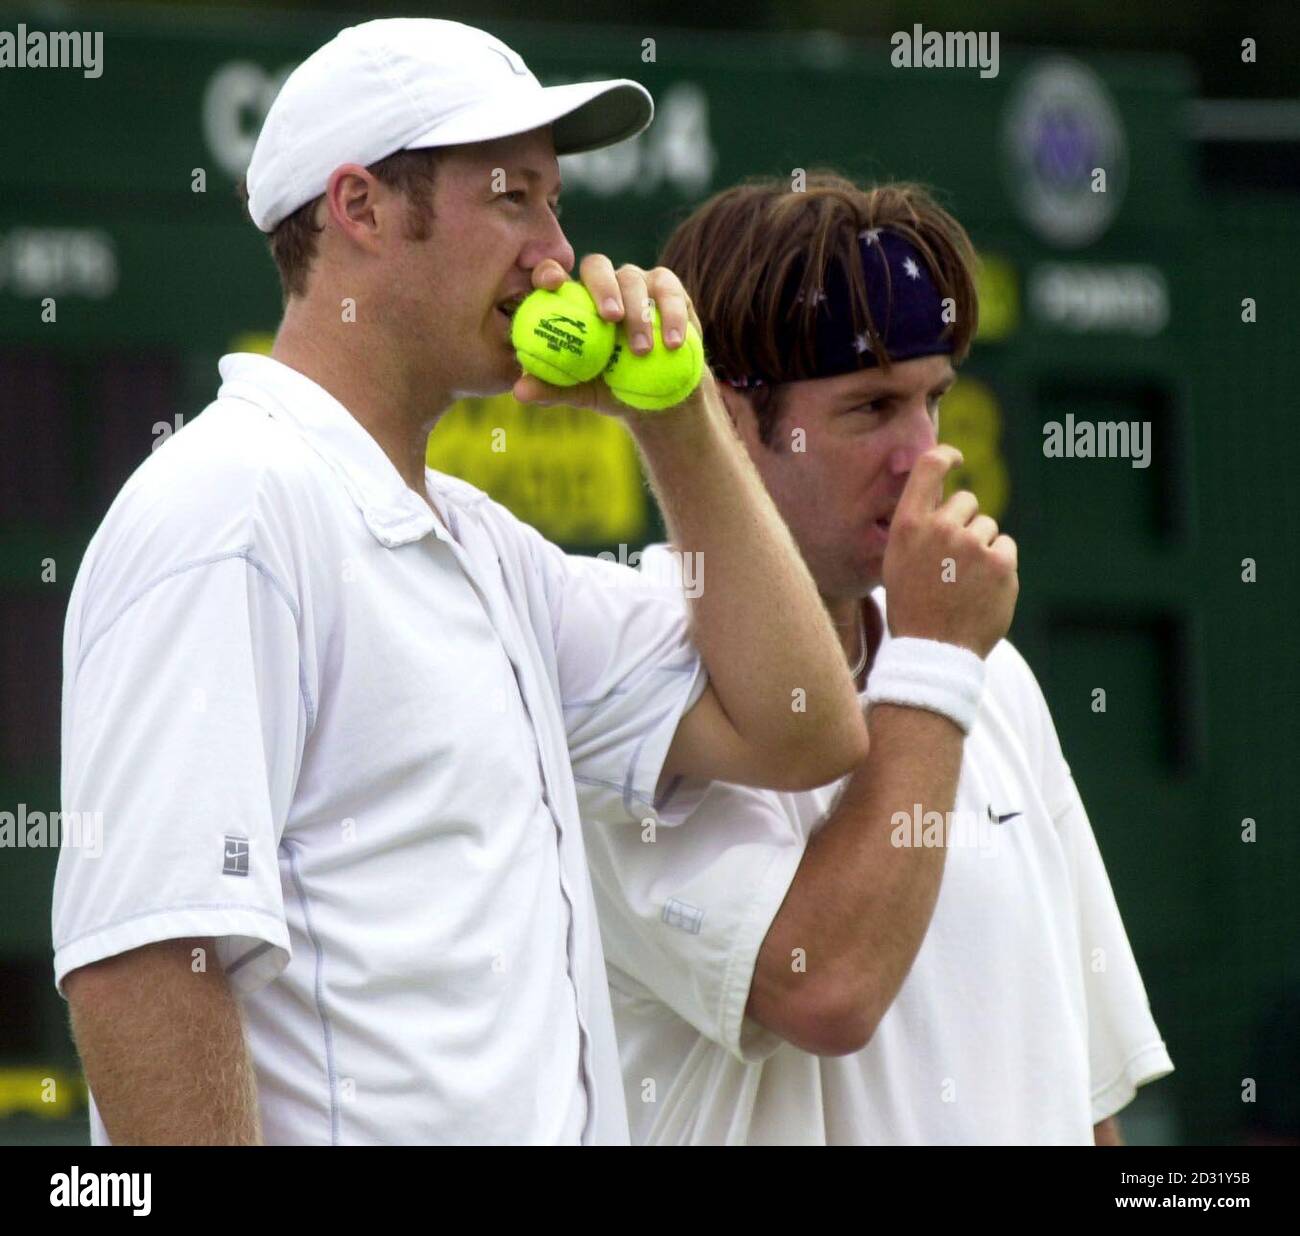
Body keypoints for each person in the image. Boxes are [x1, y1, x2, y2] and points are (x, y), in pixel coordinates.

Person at [51, 21, 868, 1146]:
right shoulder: (229, 506)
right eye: (513, 198)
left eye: (554, 203)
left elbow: (803, 726)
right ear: (361, 208)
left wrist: (676, 418)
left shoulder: (485, 549)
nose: (557, 253)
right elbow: (144, 966)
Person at [582, 174, 1174, 1144]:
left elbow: (1083, 1098)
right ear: (725, 423)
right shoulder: (617, 676)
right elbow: (826, 989)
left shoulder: (988, 671)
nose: (924, 455)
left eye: (933, 399)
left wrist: (943, 662)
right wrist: (933, 665)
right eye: (869, 408)